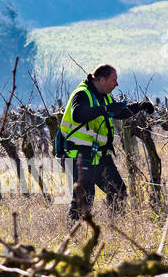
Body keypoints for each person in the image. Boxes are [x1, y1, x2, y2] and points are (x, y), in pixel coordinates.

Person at [56, 64, 154, 220]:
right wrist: (106, 109)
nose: (117, 84)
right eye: (114, 80)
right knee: (84, 200)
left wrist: (140, 106)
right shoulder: (82, 94)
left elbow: (118, 111)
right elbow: (78, 115)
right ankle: (73, 237)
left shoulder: (103, 96)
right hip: (78, 156)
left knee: (118, 191)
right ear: (102, 79)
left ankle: (115, 229)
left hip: (99, 155)